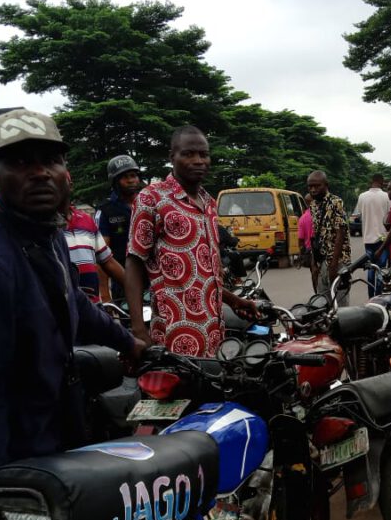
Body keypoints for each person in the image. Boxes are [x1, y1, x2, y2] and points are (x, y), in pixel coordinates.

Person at [0, 108, 143, 501]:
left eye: (51, 160)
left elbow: (72, 301)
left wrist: (131, 343)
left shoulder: (45, 231)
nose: (40, 173)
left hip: (36, 426)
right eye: (21, 162)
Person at [126, 126, 258, 354]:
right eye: (188, 154)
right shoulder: (152, 198)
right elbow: (135, 261)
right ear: (172, 158)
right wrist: (138, 329)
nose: (198, 161)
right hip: (175, 335)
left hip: (214, 333)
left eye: (203, 154)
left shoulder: (209, 202)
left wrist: (232, 300)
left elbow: (201, 272)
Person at [95, 154, 141, 301]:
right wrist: (105, 294)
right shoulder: (105, 211)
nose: (131, 180)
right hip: (123, 284)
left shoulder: (148, 204)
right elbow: (101, 256)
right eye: (125, 177)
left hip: (155, 281)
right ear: (114, 181)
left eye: (133, 175)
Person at [65, 201, 125, 304]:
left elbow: (107, 261)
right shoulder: (41, 226)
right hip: (63, 310)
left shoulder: (86, 219)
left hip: (93, 308)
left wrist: (135, 288)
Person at [306, 170, 350, 303]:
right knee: (322, 303)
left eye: (317, 186)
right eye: (310, 186)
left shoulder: (336, 202)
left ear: (326, 185)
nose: (313, 190)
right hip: (321, 260)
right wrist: (314, 263)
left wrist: (334, 264)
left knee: (340, 303)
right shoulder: (313, 205)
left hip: (338, 260)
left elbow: (340, 233)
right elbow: (316, 234)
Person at [355, 173, 391, 296]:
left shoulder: (362, 196)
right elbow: (390, 216)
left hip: (368, 239)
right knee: (381, 269)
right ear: (382, 182)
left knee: (371, 267)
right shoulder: (387, 196)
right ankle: (379, 295)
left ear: (371, 181)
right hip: (382, 238)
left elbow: (359, 214)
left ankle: (371, 296)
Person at [298, 193, 317, 292]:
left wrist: (301, 253)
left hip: (310, 251)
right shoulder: (323, 214)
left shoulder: (303, 219)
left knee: (314, 275)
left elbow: (301, 239)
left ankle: (318, 295)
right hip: (324, 249)